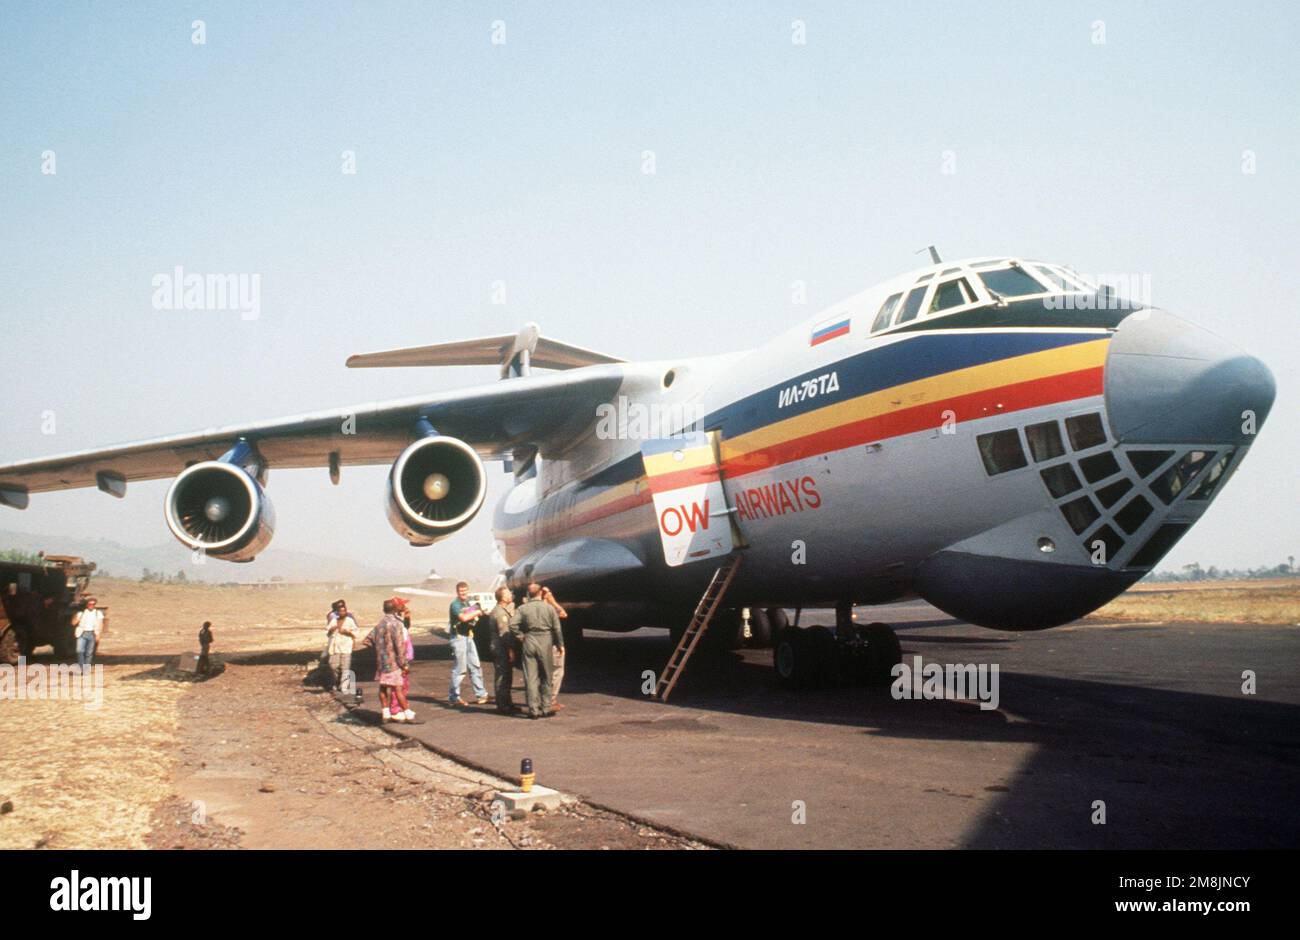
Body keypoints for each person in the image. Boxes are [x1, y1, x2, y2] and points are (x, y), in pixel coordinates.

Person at [508, 582, 565, 719]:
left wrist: (521, 636)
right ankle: (546, 708)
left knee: (531, 678)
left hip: (529, 641)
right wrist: (560, 644)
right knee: (546, 676)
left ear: (528, 594)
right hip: (545, 641)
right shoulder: (549, 609)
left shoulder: (522, 608)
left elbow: (512, 625)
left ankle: (533, 710)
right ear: (540, 593)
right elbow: (557, 628)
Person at [364, 599, 412, 722]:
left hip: (381, 662)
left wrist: (380, 650)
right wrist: (404, 664)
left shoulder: (380, 624)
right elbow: (399, 646)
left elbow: (367, 640)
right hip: (393, 663)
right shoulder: (396, 624)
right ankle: (408, 714)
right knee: (398, 689)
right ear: (395, 609)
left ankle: (385, 714)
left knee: (383, 688)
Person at [447, 582, 489, 706]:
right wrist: (477, 612)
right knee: (460, 669)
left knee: (475, 665)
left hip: (468, 637)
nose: (463, 593)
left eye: (465, 591)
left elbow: (469, 613)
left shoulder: (466, 603)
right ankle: (454, 696)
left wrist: (476, 609)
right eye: (461, 591)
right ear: (457, 592)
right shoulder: (455, 604)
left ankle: (481, 694)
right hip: (458, 638)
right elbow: (464, 618)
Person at [488, 586, 518, 714]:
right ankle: (502, 705)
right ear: (503, 598)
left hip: (500, 647)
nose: (510, 595)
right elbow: (504, 633)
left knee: (507, 676)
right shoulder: (500, 613)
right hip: (501, 648)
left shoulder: (501, 610)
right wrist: (510, 650)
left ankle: (508, 703)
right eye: (508, 594)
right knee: (502, 676)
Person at [540, 585, 569, 710]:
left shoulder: (530, 608)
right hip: (551, 645)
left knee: (540, 673)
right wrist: (553, 602)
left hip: (538, 645)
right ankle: (550, 700)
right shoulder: (549, 610)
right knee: (556, 672)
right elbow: (563, 614)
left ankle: (540, 699)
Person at [326, 599, 359, 692]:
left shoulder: (350, 621)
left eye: (344, 611)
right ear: (337, 612)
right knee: (333, 666)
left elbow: (356, 633)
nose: (342, 612)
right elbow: (328, 633)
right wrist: (332, 629)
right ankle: (335, 681)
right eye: (340, 611)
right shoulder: (333, 620)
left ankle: (344, 686)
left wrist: (348, 633)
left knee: (345, 667)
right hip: (335, 647)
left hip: (346, 646)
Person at [72, 597, 104, 670]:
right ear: (87, 604)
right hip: (82, 633)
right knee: (79, 651)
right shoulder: (81, 613)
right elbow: (73, 623)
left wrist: (98, 635)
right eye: (90, 604)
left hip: (92, 633)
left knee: (89, 653)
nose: (91, 605)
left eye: (93, 604)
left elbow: (101, 624)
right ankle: (81, 666)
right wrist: (76, 617)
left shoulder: (98, 613)